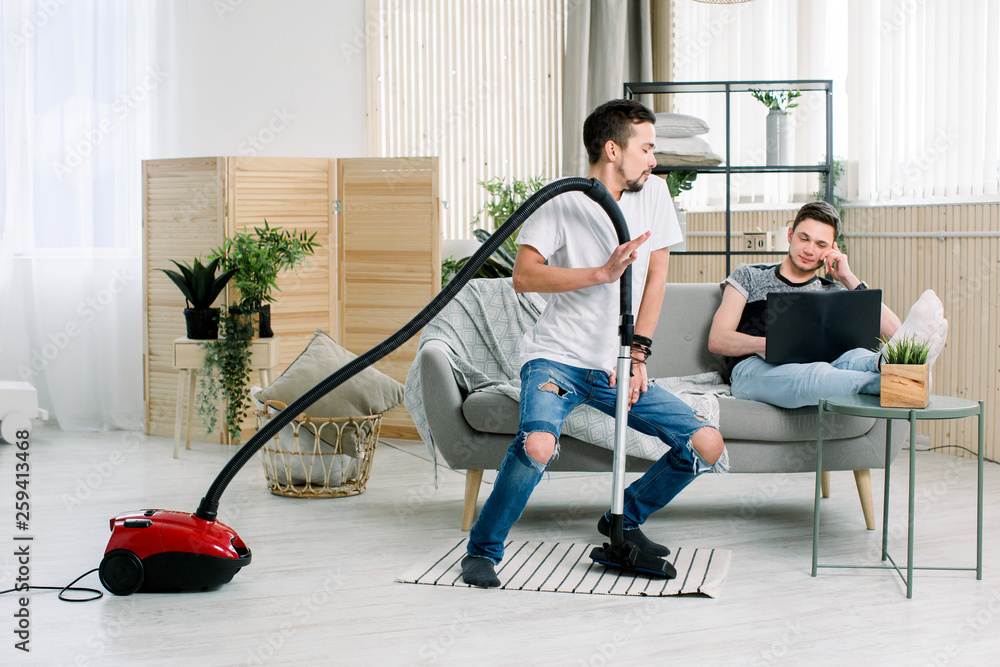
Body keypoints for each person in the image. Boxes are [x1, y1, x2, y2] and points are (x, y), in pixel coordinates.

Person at [461, 99, 727, 588]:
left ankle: (624, 516)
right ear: (612, 149)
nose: (653, 159)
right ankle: (482, 549)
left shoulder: (655, 194)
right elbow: (523, 276)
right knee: (539, 444)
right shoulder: (562, 200)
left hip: (616, 364)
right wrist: (602, 273)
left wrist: (637, 354)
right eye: (646, 148)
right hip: (556, 360)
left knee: (705, 443)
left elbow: (656, 277)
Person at [707, 200, 948, 410]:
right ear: (791, 235)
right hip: (754, 370)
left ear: (832, 250)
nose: (810, 250)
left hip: (826, 363)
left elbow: (896, 334)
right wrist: (771, 344)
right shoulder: (749, 275)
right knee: (814, 376)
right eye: (804, 239)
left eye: (821, 245)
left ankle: (900, 363)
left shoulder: (832, 290)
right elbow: (717, 340)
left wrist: (847, 278)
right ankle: (904, 382)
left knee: (859, 357)